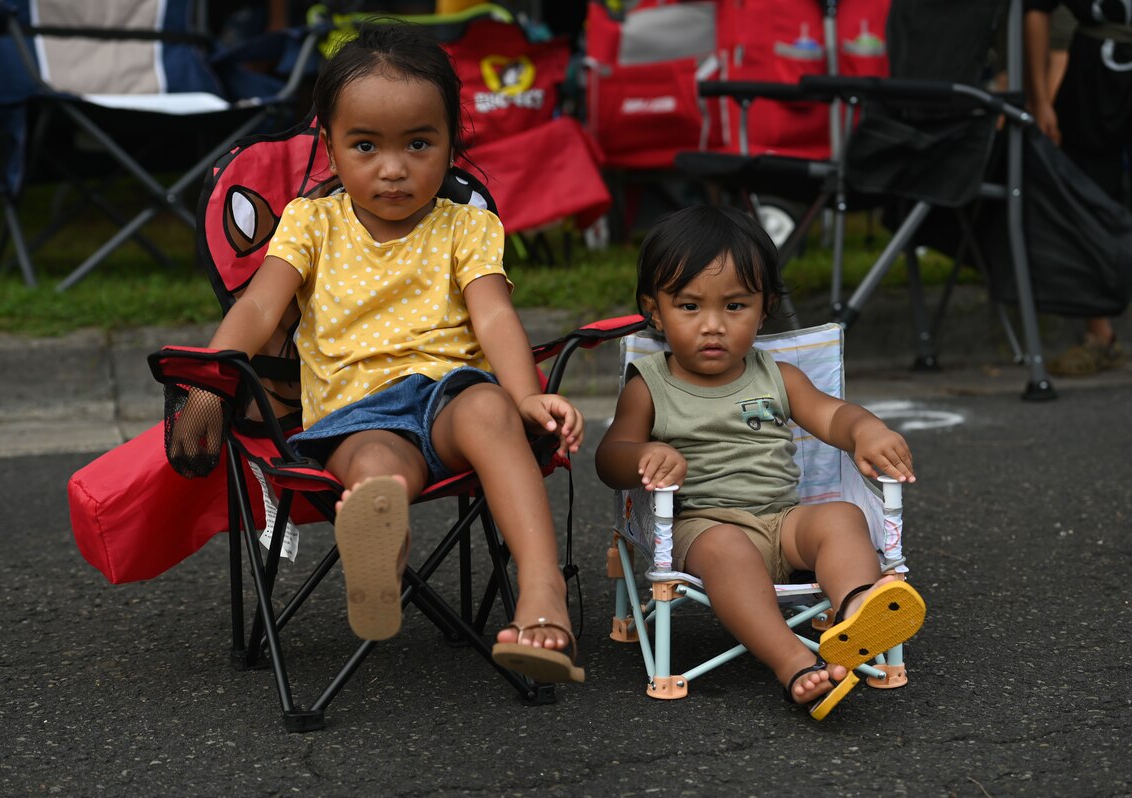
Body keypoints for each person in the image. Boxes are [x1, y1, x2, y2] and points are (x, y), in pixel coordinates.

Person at [175, 21, 585, 684]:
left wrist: (525, 392)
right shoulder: (310, 220)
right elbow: (257, 308)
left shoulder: (466, 225)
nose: (393, 168)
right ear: (330, 148)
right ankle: (380, 546)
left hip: (448, 394)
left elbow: (494, 313)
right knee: (374, 467)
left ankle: (543, 592)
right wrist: (211, 382)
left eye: (418, 143)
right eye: (366, 145)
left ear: (451, 144)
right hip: (354, 410)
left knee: (489, 413)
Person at [595, 206, 926, 717]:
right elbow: (609, 459)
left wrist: (865, 430)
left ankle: (858, 608)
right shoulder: (649, 384)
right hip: (707, 527)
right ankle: (793, 660)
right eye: (688, 306)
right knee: (727, 548)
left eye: (735, 306)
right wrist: (643, 454)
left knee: (842, 517)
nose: (712, 326)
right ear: (654, 311)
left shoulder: (778, 375)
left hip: (785, 522)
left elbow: (832, 416)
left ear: (764, 307)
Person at [1025, 1, 1126, 376]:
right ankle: (1100, 336)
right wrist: (1041, 99)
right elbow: (1038, 12)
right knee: (1089, 198)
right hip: (1093, 73)